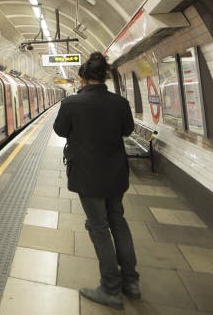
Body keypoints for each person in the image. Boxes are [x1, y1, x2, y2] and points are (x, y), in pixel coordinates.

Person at [53, 52, 138, 310]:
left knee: (98, 227)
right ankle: (131, 282)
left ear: (82, 78)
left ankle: (111, 289)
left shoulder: (71, 103)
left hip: (87, 174)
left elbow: (60, 130)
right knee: (118, 222)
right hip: (115, 173)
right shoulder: (120, 103)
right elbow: (127, 130)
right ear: (105, 76)